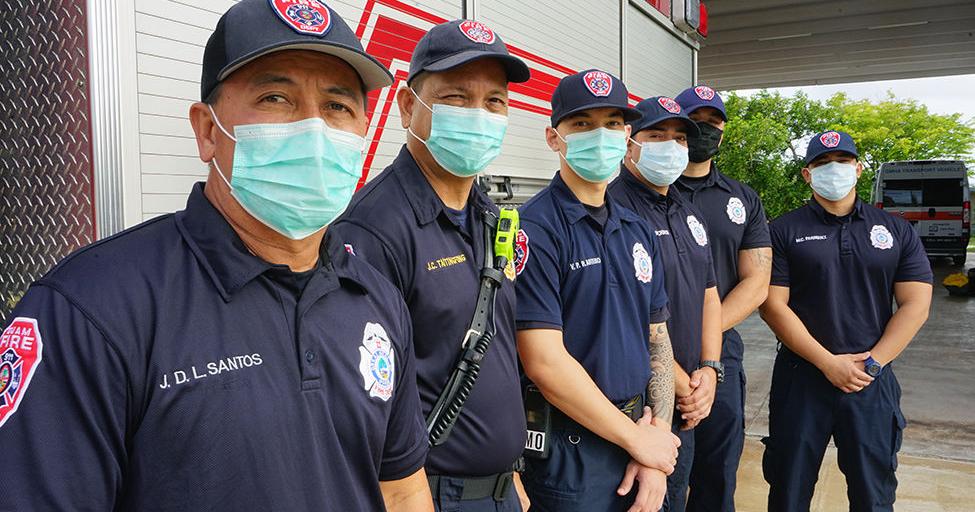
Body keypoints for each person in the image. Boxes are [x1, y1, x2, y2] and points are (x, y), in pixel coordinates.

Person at [0, 1, 433, 510]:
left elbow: (401, 488)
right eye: (276, 97)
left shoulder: (375, 296)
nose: (315, 130)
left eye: (338, 107)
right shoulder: (89, 311)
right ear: (207, 130)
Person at [329, 20, 532, 512]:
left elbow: (496, 351)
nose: (478, 115)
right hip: (435, 495)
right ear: (406, 105)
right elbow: (363, 404)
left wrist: (512, 476)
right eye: (456, 98)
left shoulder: (488, 214)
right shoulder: (375, 229)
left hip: (502, 488)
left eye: (494, 102)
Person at [514, 69, 682, 512]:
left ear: (627, 137)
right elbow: (544, 363)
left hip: (640, 431)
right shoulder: (535, 230)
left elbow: (658, 341)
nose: (600, 135)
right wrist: (639, 442)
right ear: (554, 137)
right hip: (573, 450)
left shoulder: (636, 229)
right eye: (582, 124)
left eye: (612, 123)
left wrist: (657, 441)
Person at [759, 130, 933, 512]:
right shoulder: (784, 231)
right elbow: (773, 305)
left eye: (841, 161)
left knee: (873, 492)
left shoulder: (895, 229)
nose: (832, 170)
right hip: (802, 378)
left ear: (857, 168)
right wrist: (827, 362)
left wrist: (872, 363)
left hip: (871, 379)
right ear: (807, 175)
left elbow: (915, 304)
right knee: (789, 488)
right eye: (822, 163)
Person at [608, 96, 722, 512]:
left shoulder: (688, 210)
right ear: (629, 142)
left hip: (687, 400)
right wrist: (683, 383)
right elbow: (629, 312)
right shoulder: (614, 206)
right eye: (657, 135)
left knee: (676, 499)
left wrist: (710, 370)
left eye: (678, 138)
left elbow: (709, 292)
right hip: (637, 406)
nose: (669, 146)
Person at [672, 85, 773, 512]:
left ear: (723, 133)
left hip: (721, 354)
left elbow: (757, 280)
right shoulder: (647, 189)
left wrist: (708, 338)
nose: (705, 129)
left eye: (713, 123)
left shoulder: (742, 198)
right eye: (695, 121)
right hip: (652, 349)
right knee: (662, 470)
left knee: (716, 470)